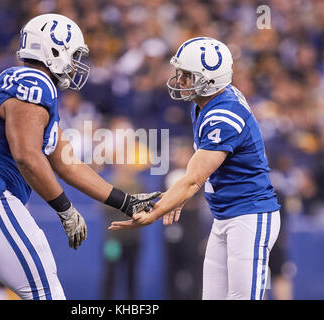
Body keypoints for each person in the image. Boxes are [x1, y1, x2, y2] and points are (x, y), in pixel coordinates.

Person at [0, 13, 159, 300]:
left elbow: (66, 162)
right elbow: (27, 156)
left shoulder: (17, 81)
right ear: (53, 51)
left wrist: (124, 201)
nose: (76, 64)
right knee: (46, 294)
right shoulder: (35, 83)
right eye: (73, 54)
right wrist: (64, 208)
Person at [110, 37, 281, 300]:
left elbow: (193, 180)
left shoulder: (224, 114)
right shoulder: (205, 103)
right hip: (224, 215)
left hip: (249, 216)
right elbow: (198, 167)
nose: (179, 80)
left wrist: (156, 211)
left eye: (187, 75)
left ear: (209, 80)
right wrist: (178, 194)